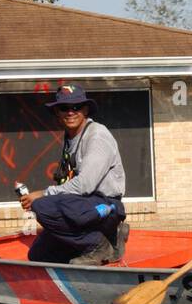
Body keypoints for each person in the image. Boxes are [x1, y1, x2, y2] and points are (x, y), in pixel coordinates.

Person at [18, 84, 128, 265]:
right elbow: (70, 182)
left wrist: (43, 193)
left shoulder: (97, 136)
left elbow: (85, 184)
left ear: (86, 110)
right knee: (38, 255)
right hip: (85, 206)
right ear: (57, 113)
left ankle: (100, 245)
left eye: (77, 107)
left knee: (43, 206)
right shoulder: (70, 138)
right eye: (64, 108)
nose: (71, 112)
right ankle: (108, 242)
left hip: (106, 206)